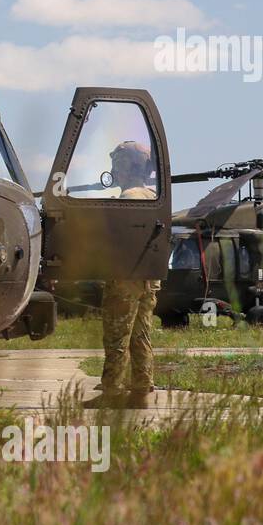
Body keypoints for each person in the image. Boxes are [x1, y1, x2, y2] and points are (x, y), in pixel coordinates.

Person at [87, 141, 160, 409]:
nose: (114, 169)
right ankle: (141, 391)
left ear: (127, 166)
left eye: (118, 163)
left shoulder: (129, 197)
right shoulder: (152, 196)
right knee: (141, 335)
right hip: (148, 279)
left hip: (126, 278)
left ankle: (112, 393)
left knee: (117, 336)